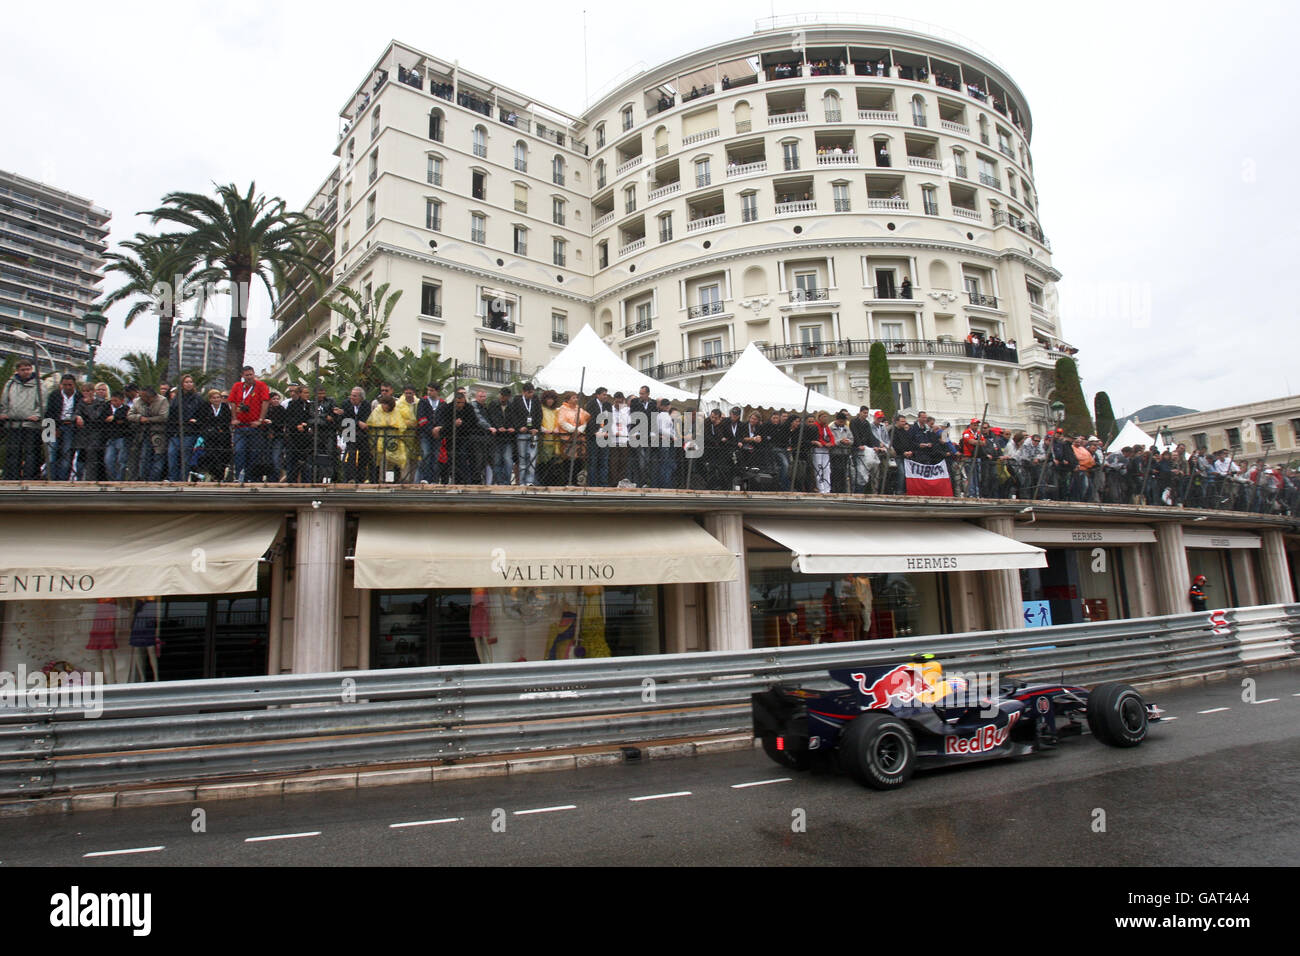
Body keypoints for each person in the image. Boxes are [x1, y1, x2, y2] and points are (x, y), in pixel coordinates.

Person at [0, 358, 44, 479]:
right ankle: (12, 477)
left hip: (30, 425)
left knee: (31, 452)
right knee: (13, 452)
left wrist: (38, 415)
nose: (26, 372)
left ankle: (29, 477)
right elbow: (5, 400)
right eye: (23, 369)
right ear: (17, 371)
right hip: (13, 424)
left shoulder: (39, 383)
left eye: (28, 369)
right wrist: (5, 412)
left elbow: (43, 402)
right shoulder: (11, 383)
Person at [229, 366, 270, 481]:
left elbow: (265, 402)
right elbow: (232, 402)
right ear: (242, 376)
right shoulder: (237, 386)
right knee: (239, 451)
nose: (249, 377)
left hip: (255, 427)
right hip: (240, 426)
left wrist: (260, 420)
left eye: (251, 374)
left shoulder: (261, 385)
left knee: (254, 454)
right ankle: (239, 477)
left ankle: (251, 478)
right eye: (247, 375)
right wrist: (234, 418)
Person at [165, 374, 203, 481]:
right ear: (182, 384)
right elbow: (171, 414)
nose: (189, 384)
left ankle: (183, 479)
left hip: (189, 432)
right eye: (186, 382)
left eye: (190, 382)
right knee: (172, 455)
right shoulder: (177, 398)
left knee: (185, 458)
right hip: (175, 432)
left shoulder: (197, 398)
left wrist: (196, 421)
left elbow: (202, 414)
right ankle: (173, 479)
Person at [127, 384, 168, 482]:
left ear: (150, 397)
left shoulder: (162, 401)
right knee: (143, 457)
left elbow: (163, 416)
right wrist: (139, 418)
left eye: (144, 397)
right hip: (142, 433)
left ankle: (154, 480)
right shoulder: (137, 401)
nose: (141, 398)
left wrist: (148, 419)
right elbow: (129, 415)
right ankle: (143, 479)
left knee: (158, 457)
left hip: (158, 434)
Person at [367, 394, 411, 482]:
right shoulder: (378, 410)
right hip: (381, 440)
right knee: (384, 461)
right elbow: (372, 422)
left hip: (394, 440)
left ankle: (396, 480)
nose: (383, 406)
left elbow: (401, 425)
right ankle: (383, 480)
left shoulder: (395, 411)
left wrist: (391, 425)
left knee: (396, 460)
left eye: (385, 404)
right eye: (382, 404)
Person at [198, 388, 232, 481]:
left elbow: (227, 420)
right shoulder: (206, 407)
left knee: (223, 457)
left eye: (218, 397)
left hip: (223, 437)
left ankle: (220, 477)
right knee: (211, 456)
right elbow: (204, 420)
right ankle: (213, 475)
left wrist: (217, 424)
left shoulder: (225, 407)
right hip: (211, 437)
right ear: (210, 399)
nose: (216, 399)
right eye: (214, 398)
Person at [416, 385, 444, 485]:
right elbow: (421, 418)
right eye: (428, 390)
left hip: (438, 435)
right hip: (425, 434)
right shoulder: (423, 402)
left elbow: (444, 419)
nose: (429, 392)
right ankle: (424, 478)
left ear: (437, 391)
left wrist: (439, 428)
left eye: (432, 390)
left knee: (435, 456)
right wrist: (431, 430)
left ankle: (434, 479)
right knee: (426, 454)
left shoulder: (442, 403)